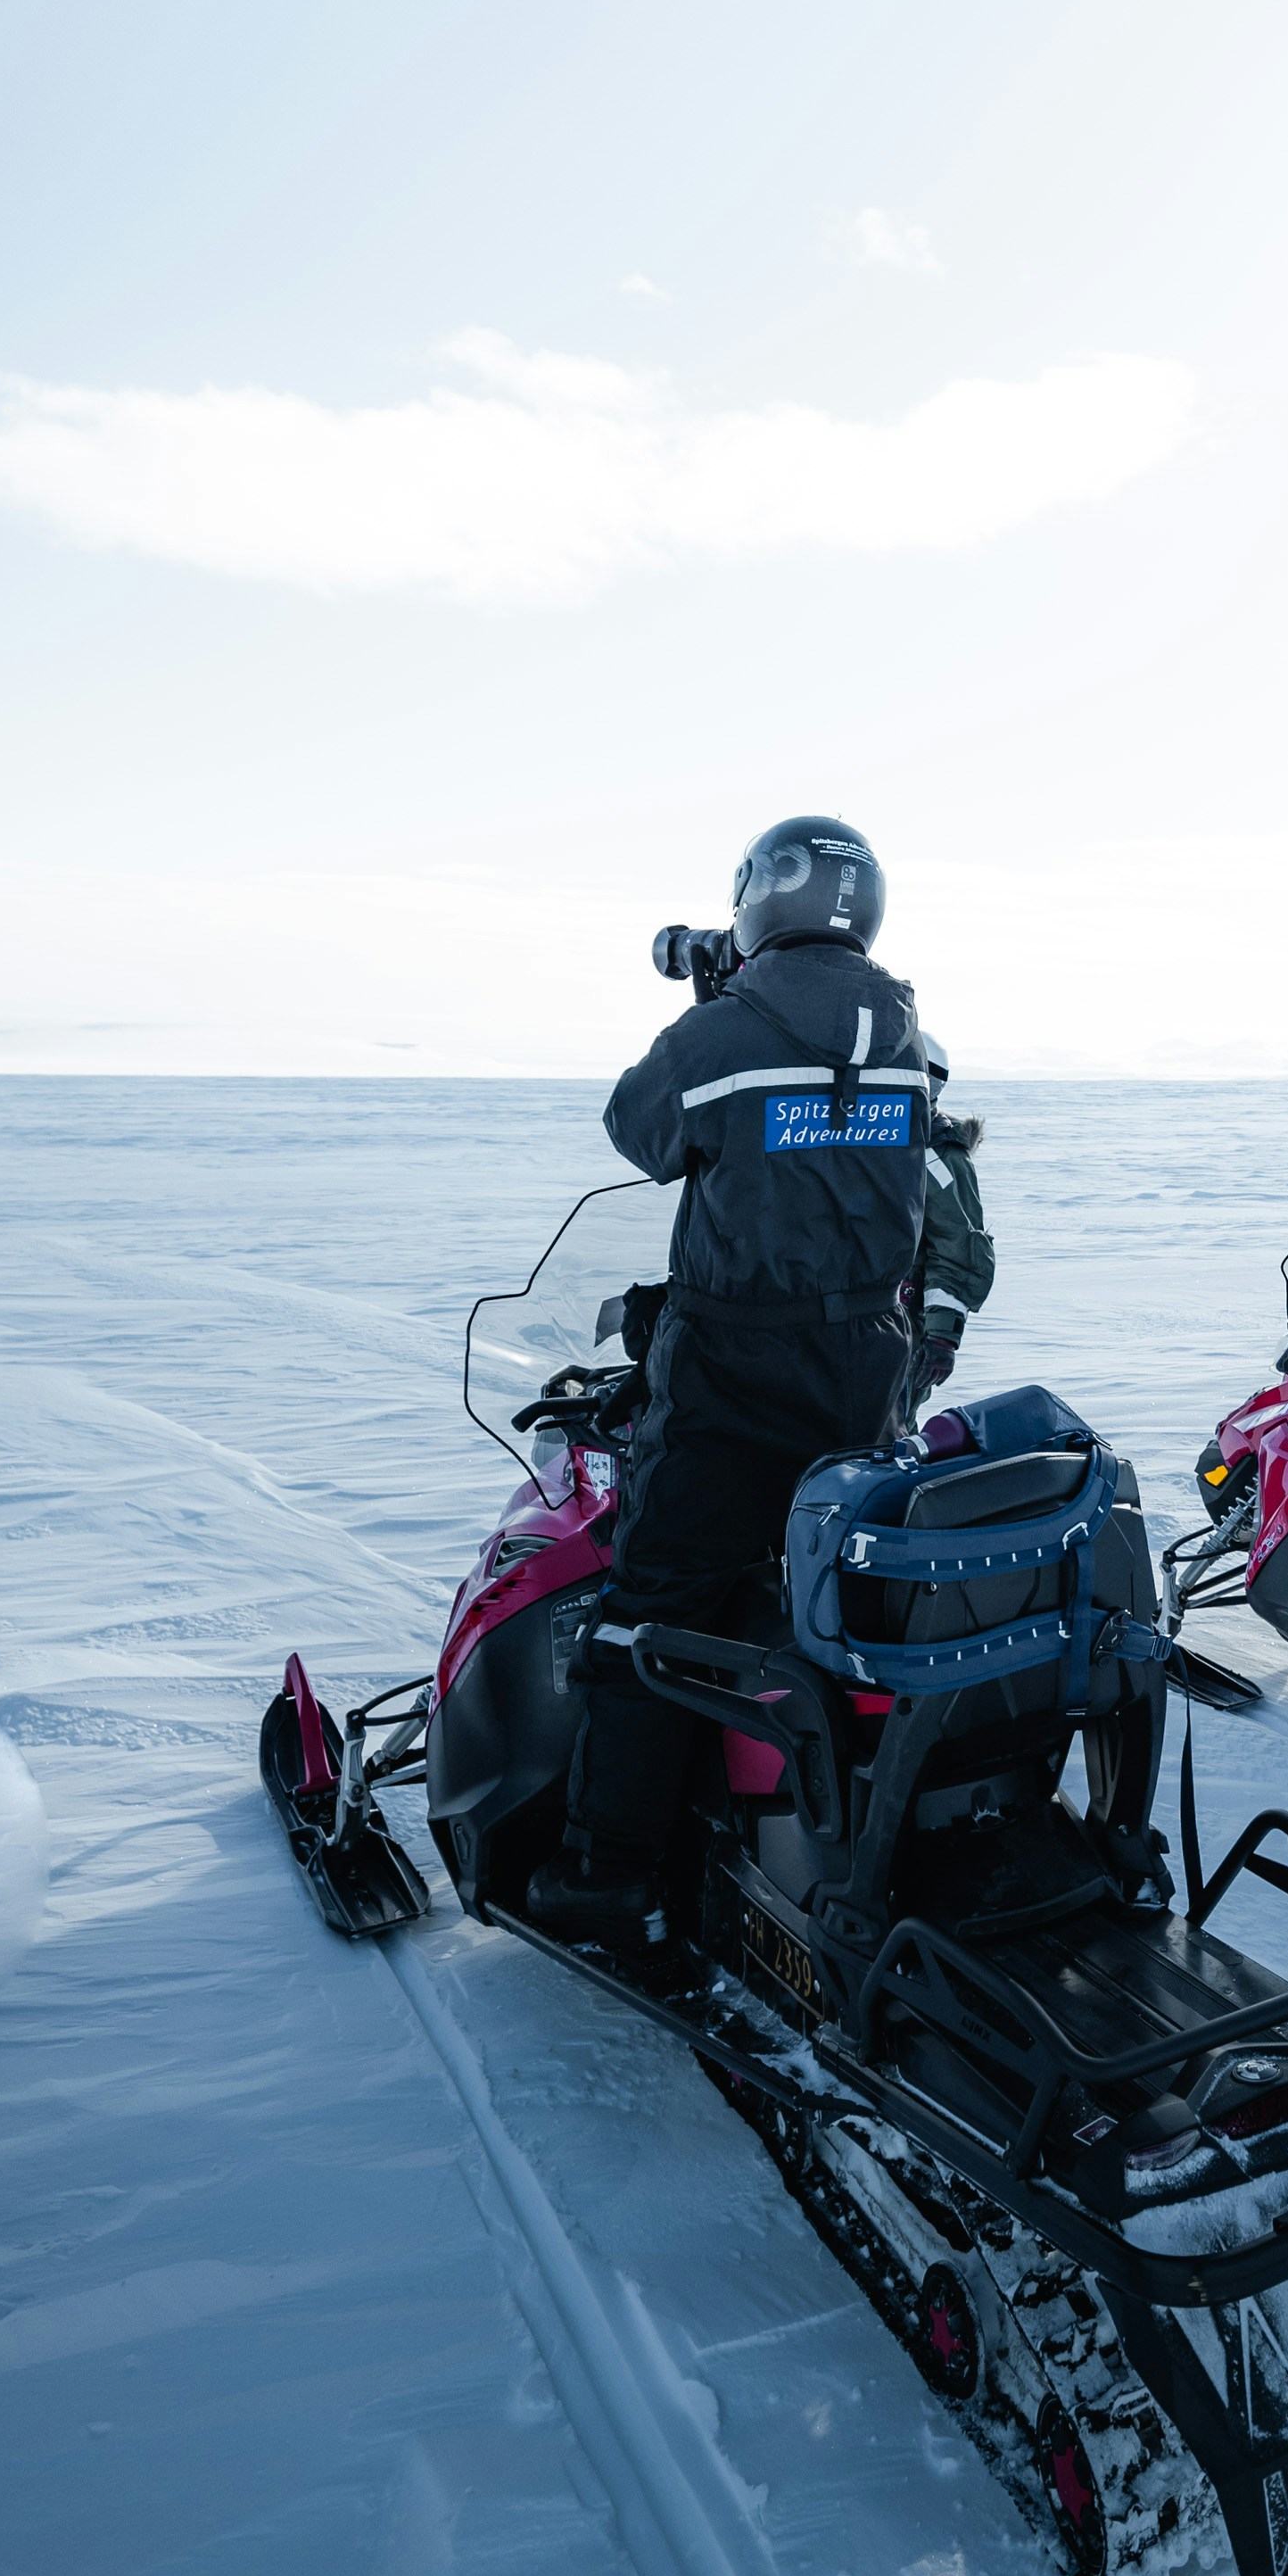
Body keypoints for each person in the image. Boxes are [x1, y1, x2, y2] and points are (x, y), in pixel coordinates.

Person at [527, 815, 929, 1944]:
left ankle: (607, 1872)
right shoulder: (905, 1032)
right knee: (825, 1596)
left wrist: (711, 1000)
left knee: (650, 1609)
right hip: (868, 1371)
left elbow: (635, 1131)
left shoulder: (729, 1032)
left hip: (734, 1374)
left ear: (759, 901)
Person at [908, 1031, 995, 1412]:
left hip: (903, 1327)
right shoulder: (865, 1139)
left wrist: (941, 1337)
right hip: (841, 1324)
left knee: (885, 1428)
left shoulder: (938, 1157)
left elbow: (958, 1247)